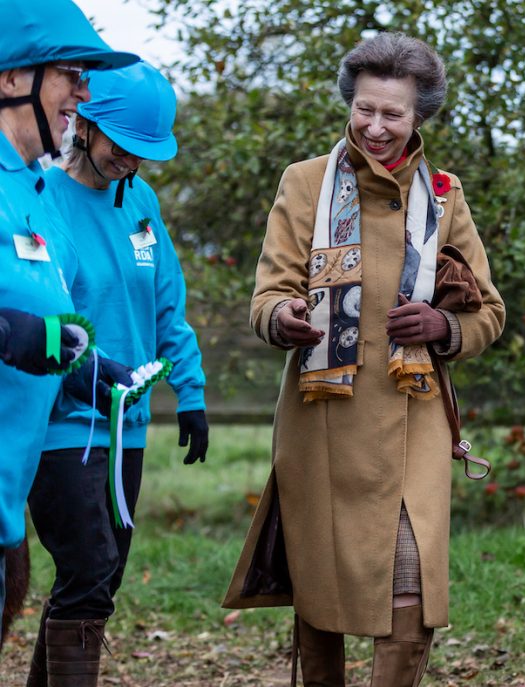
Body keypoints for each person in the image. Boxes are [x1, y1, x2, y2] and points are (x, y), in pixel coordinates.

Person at [221, 32, 504, 686]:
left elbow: (488, 311)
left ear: (419, 117)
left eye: (393, 114)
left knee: (412, 598)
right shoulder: (305, 183)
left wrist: (442, 324)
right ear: (350, 104)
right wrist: (283, 317)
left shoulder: (444, 194)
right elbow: (268, 293)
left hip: (415, 423)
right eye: (365, 109)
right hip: (323, 425)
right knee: (322, 601)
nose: (376, 126)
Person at [23, 60, 208, 684]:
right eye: (124, 149)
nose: (132, 163)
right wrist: (81, 370)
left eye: (143, 155)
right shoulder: (42, 200)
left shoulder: (141, 202)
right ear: (85, 125)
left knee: (99, 577)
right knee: (90, 568)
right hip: (60, 421)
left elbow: (167, 305)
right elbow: (36, 309)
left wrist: (191, 393)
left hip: (127, 426)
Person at [0, 0, 136, 634]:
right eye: (71, 74)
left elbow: (43, 321)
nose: (84, 92)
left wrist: (83, 368)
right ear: (11, 79)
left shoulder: (28, 187)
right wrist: (7, 333)